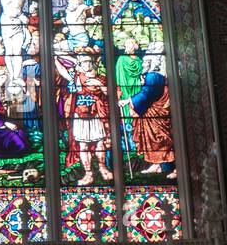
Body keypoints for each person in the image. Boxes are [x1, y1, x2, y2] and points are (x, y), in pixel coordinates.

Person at [56, 52, 112, 185]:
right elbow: (63, 71)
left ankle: (103, 168)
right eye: (82, 62)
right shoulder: (76, 78)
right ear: (79, 65)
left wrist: (99, 84)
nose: (86, 64)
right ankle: (88, 173)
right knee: (83, 145)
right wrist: (55, 57)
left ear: (93, 64)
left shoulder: (102, 78)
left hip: (96, 114)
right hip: (80, 115)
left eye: (88, 61)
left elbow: (111, 94)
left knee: (100, 142)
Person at [120, 43, 174, 178]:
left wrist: (128, 101)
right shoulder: (154, 75)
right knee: (154, 139)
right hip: (153, 112)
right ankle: (157, 165)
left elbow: (148, 93)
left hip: (157, 113)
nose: (145, 59)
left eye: (148, 57)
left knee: (159, 139)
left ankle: (170, 167)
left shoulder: (154, 76)